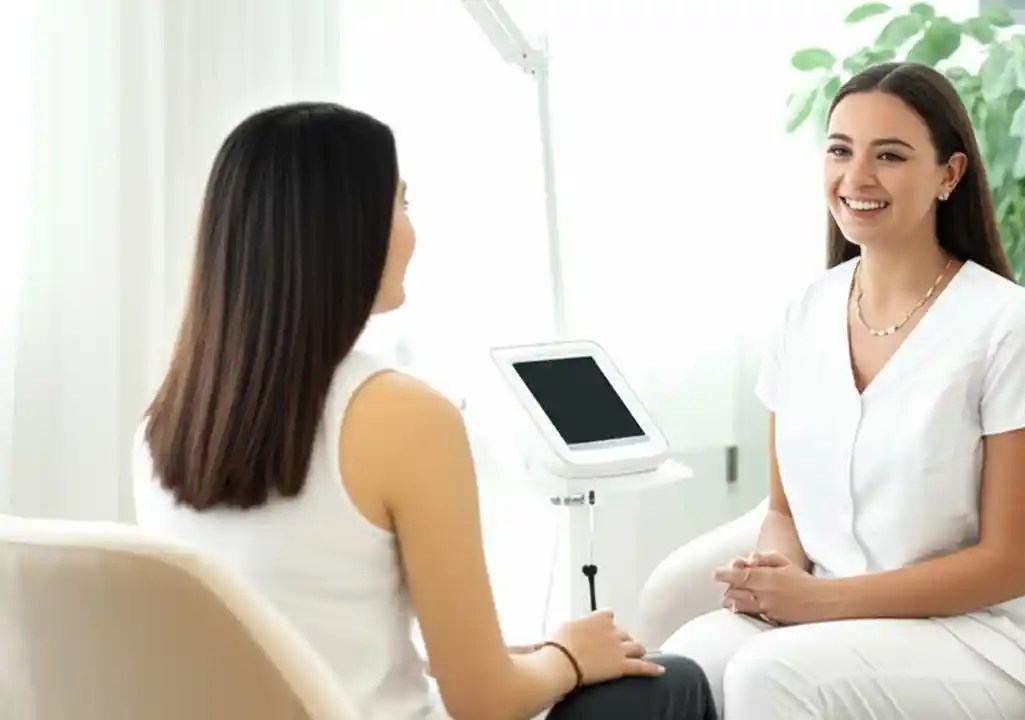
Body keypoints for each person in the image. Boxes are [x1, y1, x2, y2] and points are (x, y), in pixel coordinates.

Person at [133, 102, 715, 720]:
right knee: (669, 683)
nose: (412, 230)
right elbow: (484, 703)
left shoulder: (164, 425)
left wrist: (520, 658)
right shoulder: (402, 414)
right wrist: (568, 655)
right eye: (401, 204)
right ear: (346, 231)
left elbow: (309, 623)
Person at [661, 62, 1025, 719]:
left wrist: (817, 602)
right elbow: (786, 512)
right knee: (684, 666)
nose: (857, 178)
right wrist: (773, 576)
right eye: (839, 150)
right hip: (831, 621)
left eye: (890, 155)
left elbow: (1008, 566)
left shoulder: (1011, 325)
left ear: (949, 174)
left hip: (980, 640)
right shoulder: (802, 313)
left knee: (772, 676)